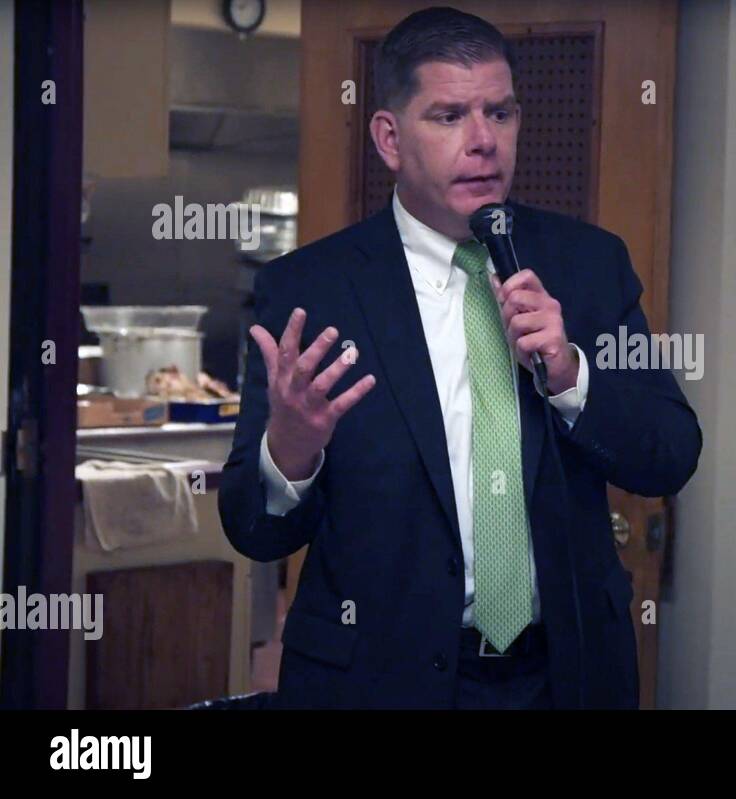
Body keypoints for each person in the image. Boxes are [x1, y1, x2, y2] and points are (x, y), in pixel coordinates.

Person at [218, 6, 701, 709]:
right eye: (448, 117)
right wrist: (289, 453)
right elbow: (254, 531)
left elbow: (671, 453)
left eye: (499, 114)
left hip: (566, 678)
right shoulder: (309, 290)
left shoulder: (590, 266)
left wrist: (571, 379)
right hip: (380, 682)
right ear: (389, 137)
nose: (484, 142)